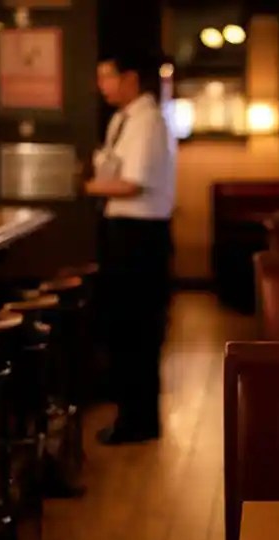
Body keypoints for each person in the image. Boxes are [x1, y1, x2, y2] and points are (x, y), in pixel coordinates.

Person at [85, 50, 176, 444]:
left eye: (107, 77)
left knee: (138, 330)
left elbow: (131, 183)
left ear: (130, 78)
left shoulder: (147, 122)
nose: (101, 86)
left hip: (140, 236)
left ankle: (139, 422)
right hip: (123, 231)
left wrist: (83, 187)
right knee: (122, 329)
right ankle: (130, 417)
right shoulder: (123, 120)